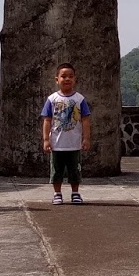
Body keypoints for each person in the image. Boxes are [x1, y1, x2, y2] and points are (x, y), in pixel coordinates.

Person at [41, 62, 92, 205]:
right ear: (57, 79)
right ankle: (57, 193)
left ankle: (75, 193)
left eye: (70, 76)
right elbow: (47, 120)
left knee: (74, 170)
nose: (67, 79)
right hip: (57, 144)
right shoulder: (52, 99)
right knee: (56, 170)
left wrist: (86, 138)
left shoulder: (79, 99)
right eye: (63, 76)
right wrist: (46, 140)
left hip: (74, 144)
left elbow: (85, 120)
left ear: (75, 79)